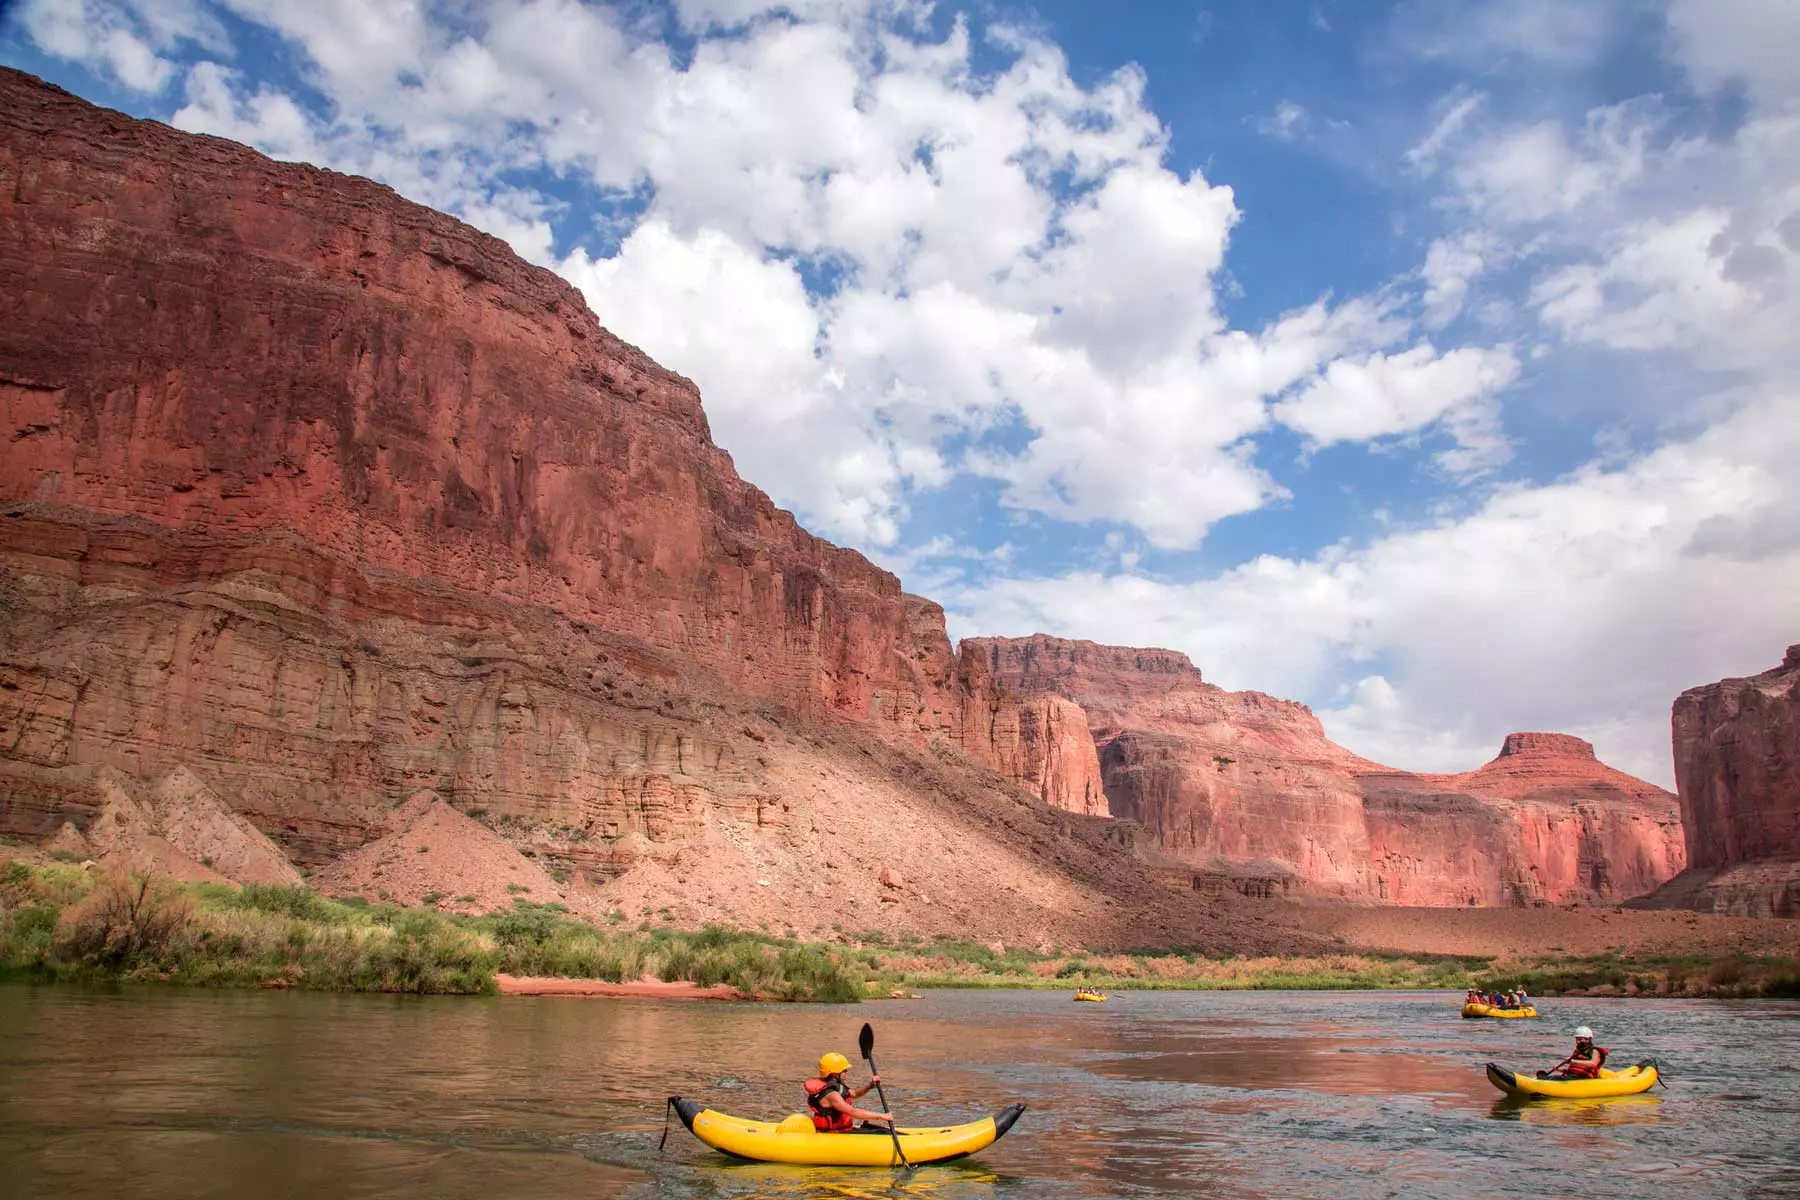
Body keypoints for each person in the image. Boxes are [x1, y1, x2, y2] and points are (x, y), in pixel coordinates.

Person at [805, 1052, 895, 1132]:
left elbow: (854, 1094)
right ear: (834, 1074)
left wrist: (870, 1086)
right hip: (834, 1135)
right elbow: (853, 1112)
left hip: (842, 1131)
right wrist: (883, 1116)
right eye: (844, 1070)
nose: (847, 1072)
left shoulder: (833, 1087)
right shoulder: (831, 1095)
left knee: (879, 1130)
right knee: (882, 1132)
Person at [1540, 1026, 1609, 1080]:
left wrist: (1572, 1061)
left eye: (1581, 1039)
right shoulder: (1577, 1052)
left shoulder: (1595, 1051)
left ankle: (1542, 1082)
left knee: (1556, 1078)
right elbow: (1573, 1071)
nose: (1579, 1041)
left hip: (1584, 1078)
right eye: (1578, 1039)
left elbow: (1593, 1064)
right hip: (1574, 1077)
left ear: (1588, 1039)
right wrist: (1559, 1070)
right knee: (1556, 1077)